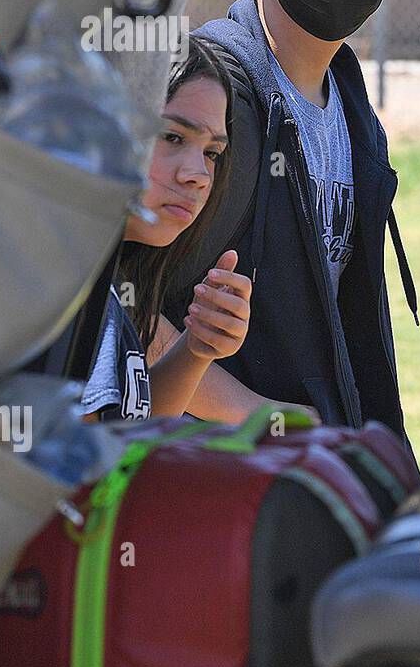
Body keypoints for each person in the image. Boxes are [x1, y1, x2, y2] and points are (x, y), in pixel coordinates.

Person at [163, 0, 418, 435]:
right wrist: (258, 417)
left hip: (317, 449)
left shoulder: (350, 101)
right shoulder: (211, 90)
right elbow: (118, 298)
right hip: (213, 466)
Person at [82, 36, 317, 424]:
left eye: (212, 153)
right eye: (172, 137)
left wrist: (196, 349)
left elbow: (136, 429)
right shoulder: (70, 294)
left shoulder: (107, 286)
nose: (198, 176)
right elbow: (92, 475)